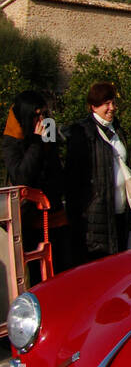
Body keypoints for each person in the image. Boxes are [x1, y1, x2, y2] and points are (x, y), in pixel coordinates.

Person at [64, 82, 131, 266]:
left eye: (113, 102)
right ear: (93, 105)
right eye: (106, 103)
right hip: (97, 220)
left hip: (121, 213)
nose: (111, 108)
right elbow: (73, 178)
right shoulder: (83, 133)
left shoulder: (117, 129)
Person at [2, 90, 67, 281]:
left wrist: (49, 142)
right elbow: (22, 176)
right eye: (36, 115)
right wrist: (37, 143)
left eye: (43, 114)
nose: (41, 119)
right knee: (41, 278)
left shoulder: (47, 130)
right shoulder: (12, 141)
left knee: (63, 271)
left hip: (55, 214)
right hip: (32, 220)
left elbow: (56, 170)